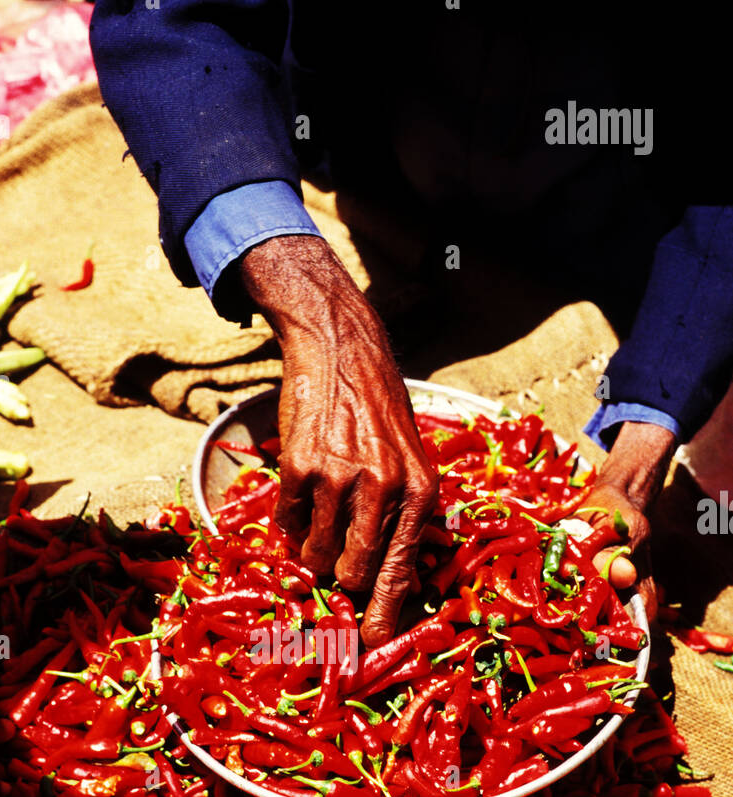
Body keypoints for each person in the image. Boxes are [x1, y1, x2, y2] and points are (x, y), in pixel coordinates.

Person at [90, 0, 732, 642]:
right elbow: (166, 18)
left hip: (617, 204)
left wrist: (636, 462)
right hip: (369, 144)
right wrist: (322, 312)